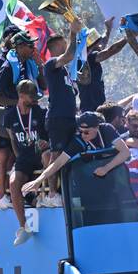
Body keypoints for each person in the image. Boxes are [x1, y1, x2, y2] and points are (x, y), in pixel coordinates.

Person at [0, 31, 46, 211]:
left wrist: (40, 64)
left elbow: (44, 86)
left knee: (29, 153)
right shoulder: (7, 66)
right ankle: (2, 195)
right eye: (29, 45)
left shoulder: (29, 63)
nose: (33, 48)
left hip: (26, 115)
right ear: (19, 47)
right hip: (9, 117)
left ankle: (30, 192)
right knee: (6, 155)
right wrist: (19, 102)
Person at [40, 17, 86, 205]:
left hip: (69, 118)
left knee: (70, 155)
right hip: (57, 118)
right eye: (64, 44)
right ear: (56, 47)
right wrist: (73, 32)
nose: (67, 46)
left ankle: (66, 190)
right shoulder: (51, 64)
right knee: (56, 154)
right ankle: (52, 194)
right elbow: (69, 55)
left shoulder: (66, 71)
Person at [7, 80, 49, 246]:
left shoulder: (41, 112)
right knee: (13, 182)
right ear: (21, 95)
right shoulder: (10, 116)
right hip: (24, 158)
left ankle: (47, 197)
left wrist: (46, 143)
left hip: (40, 155)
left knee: (47, 157)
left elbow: (49, 136)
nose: (35, 100)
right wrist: (19, 157)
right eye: (31, 96)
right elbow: (12, 139)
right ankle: (24, 227)